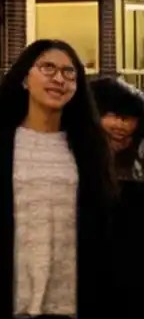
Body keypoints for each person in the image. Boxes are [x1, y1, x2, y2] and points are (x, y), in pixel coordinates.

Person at [0, 40, 115, 319]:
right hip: (15, 306)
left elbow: (105, 235)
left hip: (78, 306)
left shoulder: (89, 147)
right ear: (25, 78)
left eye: (69, 72)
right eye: (48, 68)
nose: (59, 78)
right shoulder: (0, 145)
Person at [90, 76, 144, 299]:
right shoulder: (75, 152)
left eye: (129, 118)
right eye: (114, 116)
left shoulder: (139, 156)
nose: (122, 125)